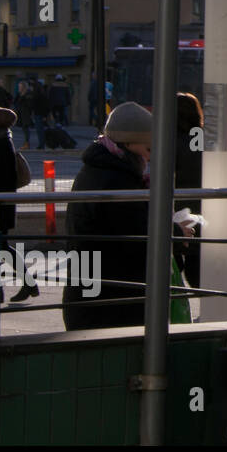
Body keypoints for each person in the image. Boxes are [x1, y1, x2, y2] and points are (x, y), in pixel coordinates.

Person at [61, 103, 154, 331]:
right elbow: (136, 238)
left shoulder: (98, 170)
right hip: (111, 303)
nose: (151, 156)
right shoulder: (118, 181)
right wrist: (176, 233)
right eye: (149, 148)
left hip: (90, 297)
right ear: (129, 144)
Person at [0, 106, 34, 305]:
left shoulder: (0, 142)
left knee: (2, 246)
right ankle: (29, 284)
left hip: (0, 205)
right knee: (2, 246)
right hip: (3, 205)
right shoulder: (4, 139)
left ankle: (24, 285)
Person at [174, 92, 204, 290]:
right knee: (197, 248)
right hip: (201, 200)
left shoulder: (170, 139)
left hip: (176, 199)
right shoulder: (202, 136)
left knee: (174, 247)